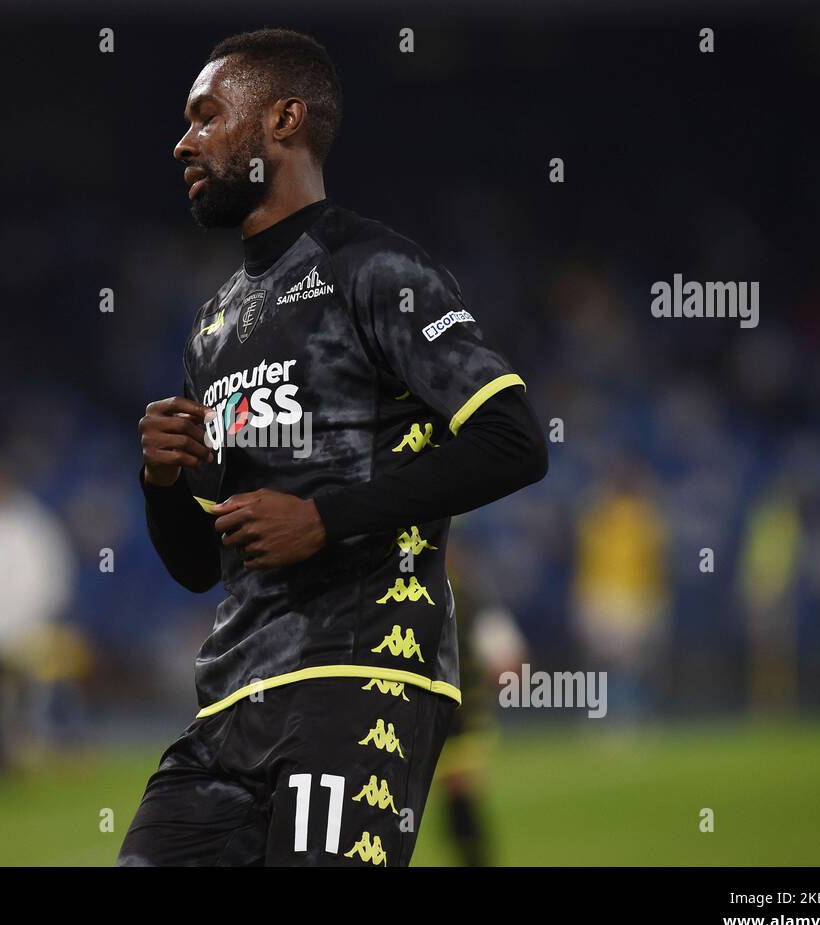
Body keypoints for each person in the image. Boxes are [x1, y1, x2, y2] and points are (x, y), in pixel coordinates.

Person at [119, 28, 547, 867]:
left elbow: (515, 440)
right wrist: (161, 480)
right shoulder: (213, 323)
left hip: (359, 677)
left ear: (282, 119)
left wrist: (325, 518)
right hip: (228, 701)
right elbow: (203, 564)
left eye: (206, 116)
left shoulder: (376, 268)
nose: (184, 141)